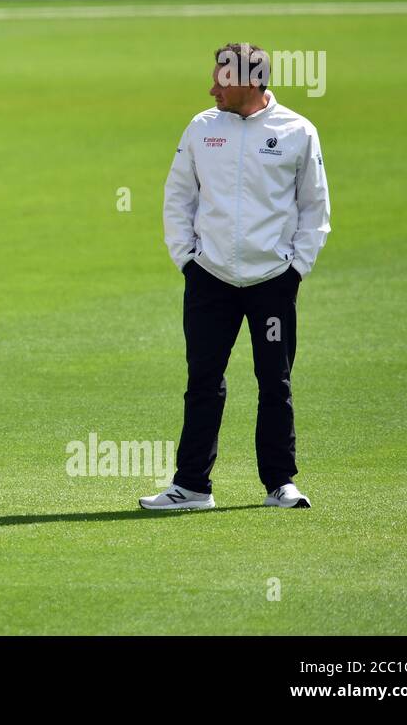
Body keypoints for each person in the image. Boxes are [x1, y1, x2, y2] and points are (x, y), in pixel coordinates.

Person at [140, 43, 331, 512]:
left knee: (275, 381)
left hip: (272, 281)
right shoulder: (202, 128)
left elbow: (315, 208)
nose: (211, 88)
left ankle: (281, 484)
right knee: (203, 379)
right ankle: (192, 487)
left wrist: (295, 270)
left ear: (251, 81)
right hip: (210, 278)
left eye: (220, 80)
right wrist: (187, 259)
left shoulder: (297, 131)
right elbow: (178, 197)